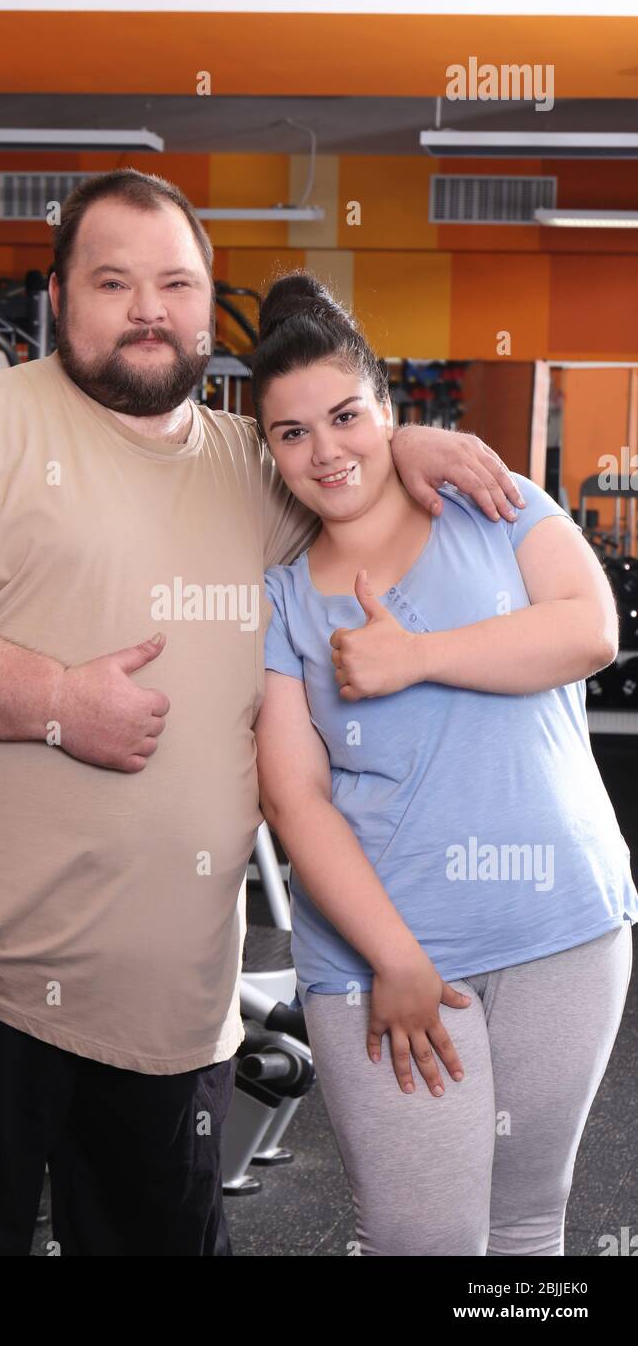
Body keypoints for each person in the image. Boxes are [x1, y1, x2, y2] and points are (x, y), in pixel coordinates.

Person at [0, 170, 523, 1257]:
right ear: (58, 299)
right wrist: (56, 703)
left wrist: (398, 442)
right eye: (113, 281)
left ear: (205, 306)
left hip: (167, 997)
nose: (150, 308)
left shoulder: (255, 464)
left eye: (175, 284)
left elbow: (351, 486)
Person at [253, 270, 638, 1257]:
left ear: (387, 410)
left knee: (525, 1225)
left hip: (564, 924)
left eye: (345, 415)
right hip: (389, 958)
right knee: (418, 1238)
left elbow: (586, 629)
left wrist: (412, 655)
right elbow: (294, 800)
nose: (325, 449)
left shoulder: (495, 504)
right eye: (292, 432)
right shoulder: (282, 600)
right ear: (267, 449)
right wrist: (395, 958)